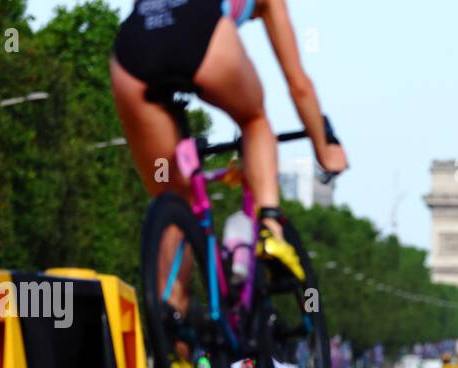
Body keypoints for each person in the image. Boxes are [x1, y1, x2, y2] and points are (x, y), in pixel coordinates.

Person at [110, 0, 347, 265]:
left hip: (134, 48)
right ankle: (270, 226)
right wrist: (324, 148)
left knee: (173, 202)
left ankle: (170, 302)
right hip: (200, 26)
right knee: (254, 121)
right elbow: (299, 85)